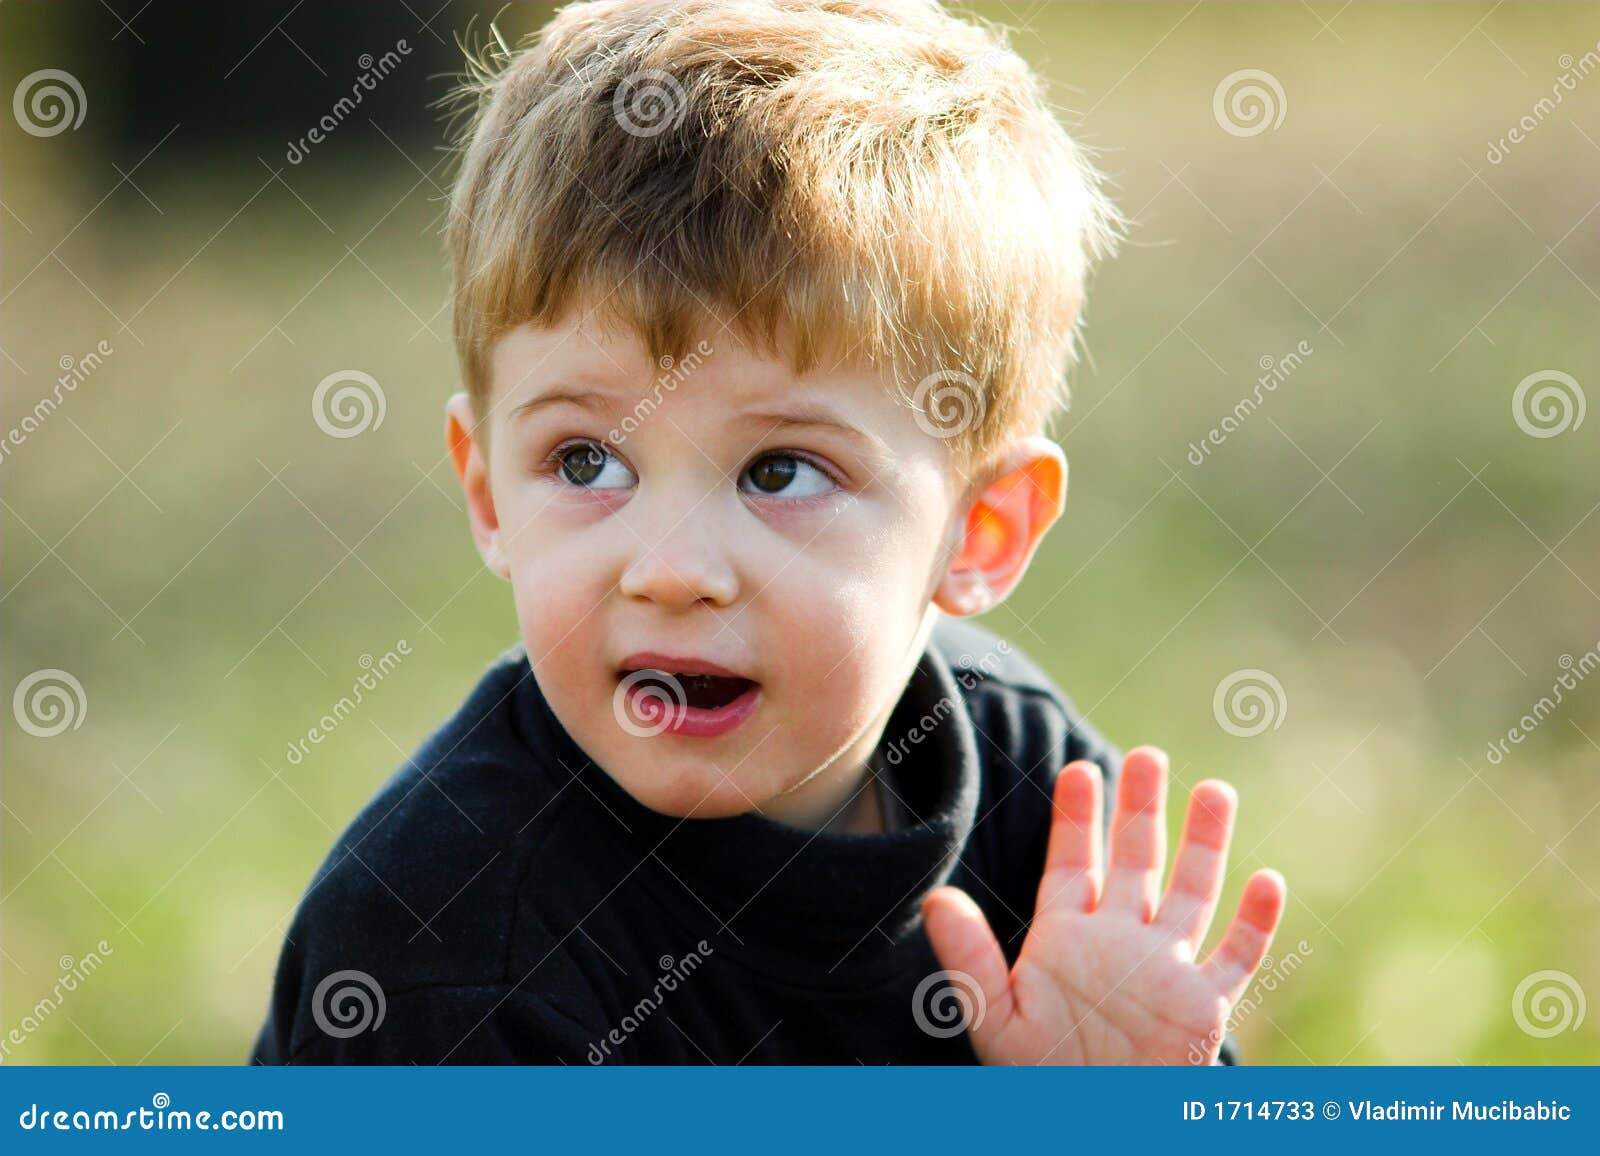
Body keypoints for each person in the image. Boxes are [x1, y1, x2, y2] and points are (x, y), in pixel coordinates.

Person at [251, 0, 1286, 1065]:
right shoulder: (444, 945)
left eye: (779, 472)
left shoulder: (1040, 806)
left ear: (978, 530)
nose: (671, 572)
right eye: (585, 462)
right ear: (488, 494)